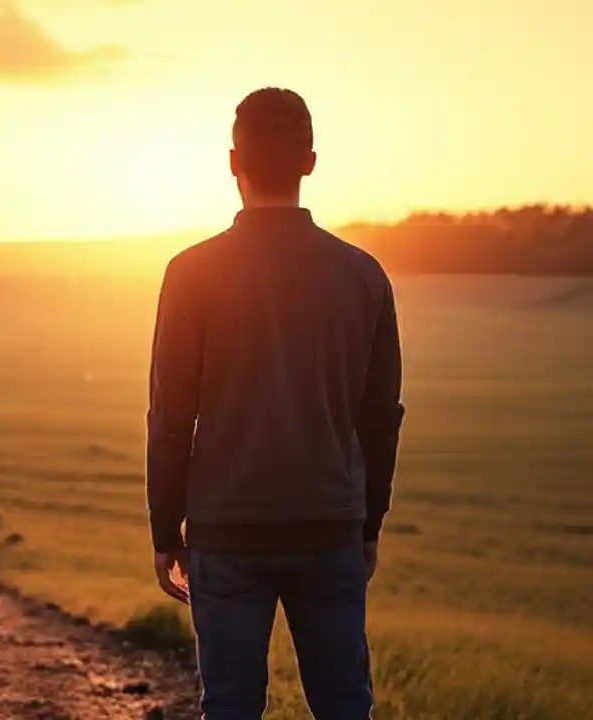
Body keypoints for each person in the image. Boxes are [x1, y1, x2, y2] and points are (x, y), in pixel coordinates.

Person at [145, 87, 405, 719]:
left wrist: (164, 530)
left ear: (233, 162)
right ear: (310, 162)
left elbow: (171, 416)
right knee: (344, 705)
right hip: (330, 526)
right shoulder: (364, 275)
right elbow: (381, 417)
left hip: (224, 530)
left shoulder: (190, 273)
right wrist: (368, 524)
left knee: (230, 707)